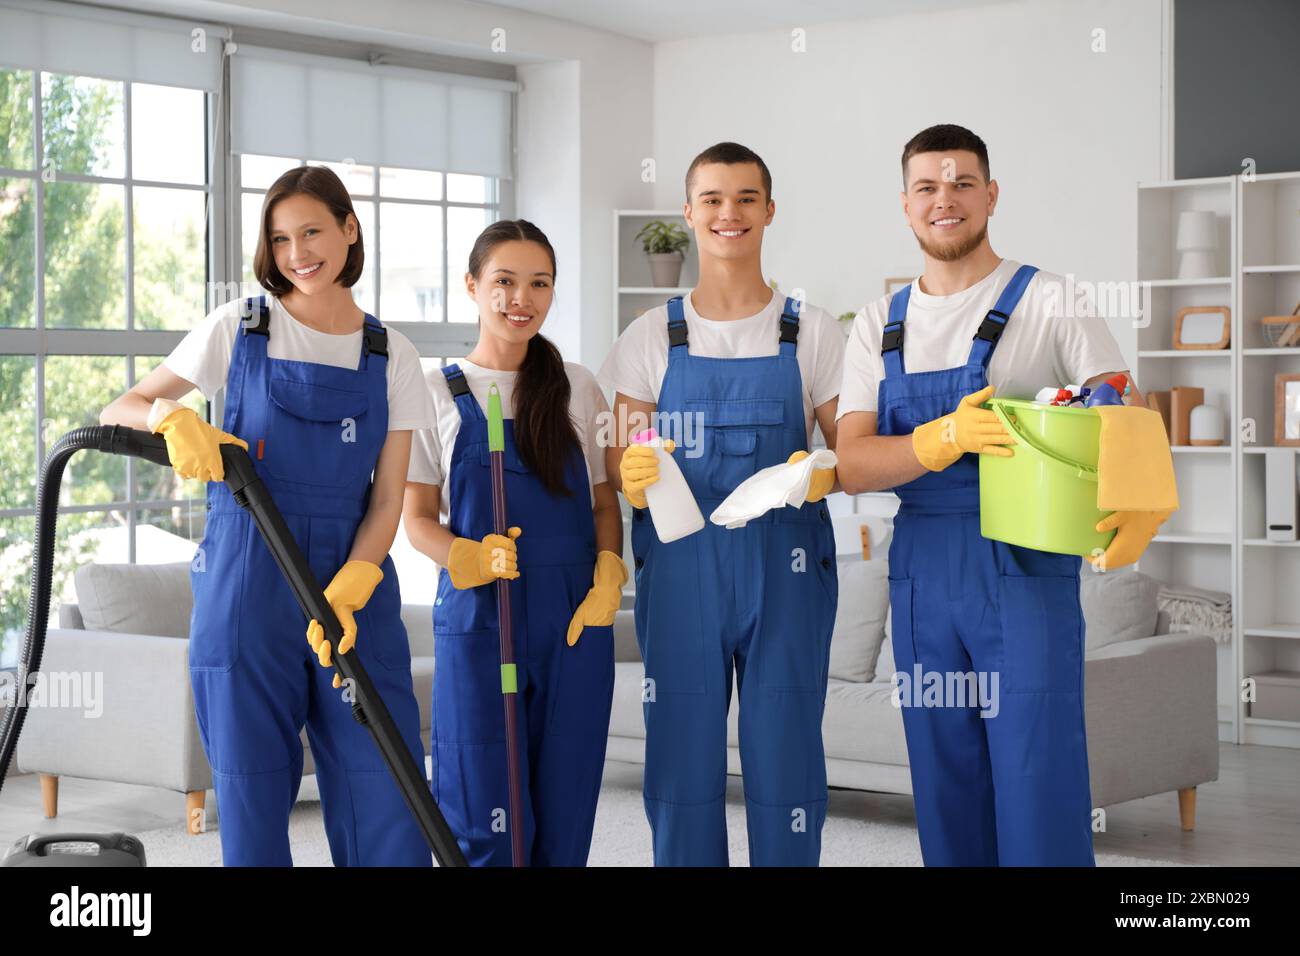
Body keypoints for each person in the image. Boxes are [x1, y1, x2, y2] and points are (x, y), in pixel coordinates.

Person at [835, 124, 1166, 866]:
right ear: (905, 202)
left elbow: (1123, 409)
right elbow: (852, 464)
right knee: (945, 778)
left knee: (1035, 773)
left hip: (1024, 564)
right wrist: (939, 440)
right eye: (927, 186)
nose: (943, 200)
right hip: (921, 572)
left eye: (960, 184)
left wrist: (1139, 498)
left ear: (991, 194)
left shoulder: (1048, 298)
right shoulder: (876, 325)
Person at [99, 165, 436, 866]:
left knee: (388, 789)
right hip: (247, 585)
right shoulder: (240, 327)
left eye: (311, 230)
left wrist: (356, 581)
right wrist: (172, 419)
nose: (296, 253)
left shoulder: (390, 354)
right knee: (252, 801)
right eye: (280, 238)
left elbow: (386, 501)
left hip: (354, 589)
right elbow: (118, 409)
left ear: (349, 229)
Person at [601, 143, 843, 866]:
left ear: (769, 211)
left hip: (789, 570)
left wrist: (822, 471)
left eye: (744, 198)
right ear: (688, 212)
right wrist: (633, 469)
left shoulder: (812, 330)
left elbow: (851, 447)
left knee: (787, 751)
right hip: (682, 569)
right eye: (711, 199)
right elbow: (619, 455)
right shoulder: (650, 335)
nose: (728, 213)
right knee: (680, 754)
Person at [402, 219, 624, 866]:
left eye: (538, 283)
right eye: (503, 281)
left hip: (573, 620)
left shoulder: (577, 387)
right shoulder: (434, 390)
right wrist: (464, 557)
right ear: (472, 286)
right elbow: (415, 519)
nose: (520, 298)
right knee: (482, 806)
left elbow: (604, 499)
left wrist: (609, 572)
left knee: (566, 798)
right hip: (479, 616)